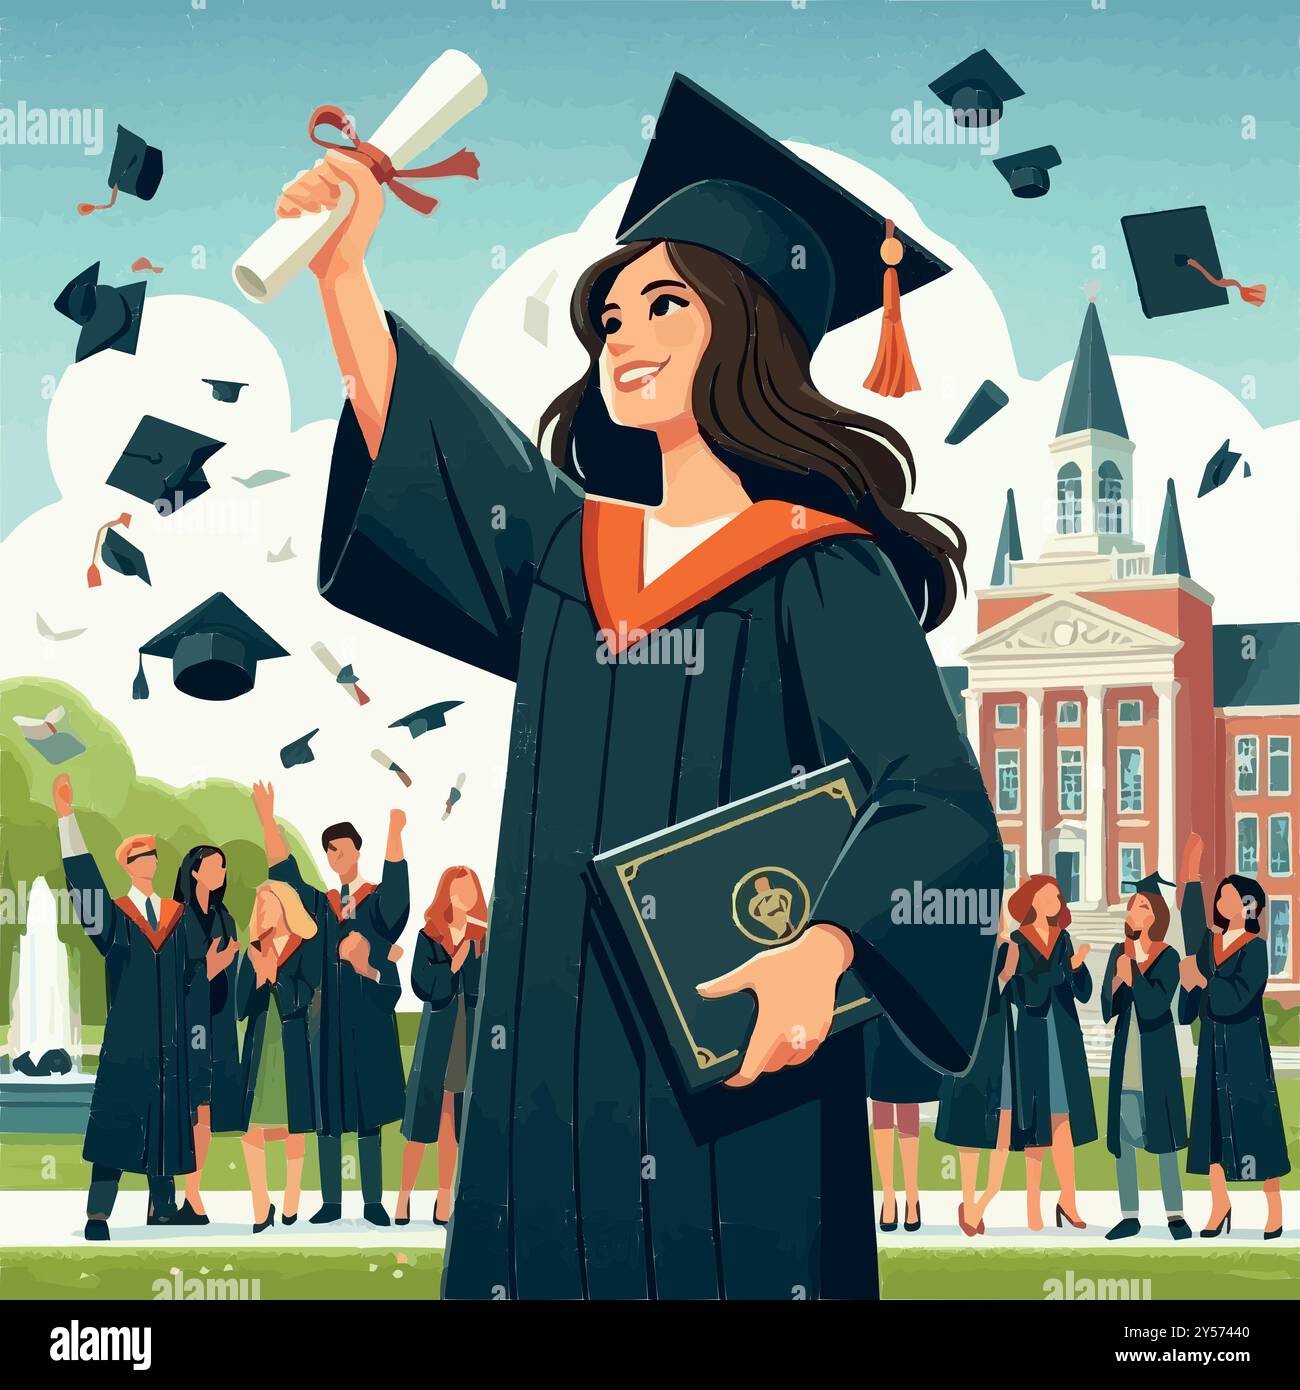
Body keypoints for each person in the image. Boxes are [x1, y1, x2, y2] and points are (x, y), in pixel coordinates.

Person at [275, 76, 1001, 1299]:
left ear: (749, 322)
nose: (622, 338)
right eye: (607, 318)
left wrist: (824, 951)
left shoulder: (822, 574)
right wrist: (344, 276)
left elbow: (933, 804)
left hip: (737, 1069)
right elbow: (446, 463)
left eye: (663, 302)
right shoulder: (571, 556)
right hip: (544, 1073)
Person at [251, 782, 409, 1225]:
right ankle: (332, 1203)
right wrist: (267, 820)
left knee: (369, 1116)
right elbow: (286, 876)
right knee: (326, 1114)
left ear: (357, 851)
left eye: (341, 850)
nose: (335, 858)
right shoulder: (321, 907)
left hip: (369, 1018)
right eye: (330, 852)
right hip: (325, 1022)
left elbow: (398, 904)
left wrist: (395, 835)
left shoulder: (376, 901)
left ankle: (374, 1202)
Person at [52, 774, 201, 1238]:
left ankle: (163, 1207)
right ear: (127, 865)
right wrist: (66, 820)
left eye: (152, 855)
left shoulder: (176, 919)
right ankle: (98, 1214)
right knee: (118, 1123)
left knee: (166, 1117)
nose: (148, 862)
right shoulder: (115, 918)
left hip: (170, 1040)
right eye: (139, 857)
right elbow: (85, 886)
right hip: (128, 1041)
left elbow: (193, 977)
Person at [1179, 870, 1289, 1239]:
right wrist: (1192, 985)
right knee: (1212, 1125)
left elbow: (1240, 997)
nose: (1222, 903)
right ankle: (1219, 1204)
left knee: (1256, 1123)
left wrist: (1202, 981)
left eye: (1230, 897)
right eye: (1220, 897)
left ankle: (1274, 1208)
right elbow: (1192, 939)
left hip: (1244, 1047)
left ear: (1250, 906)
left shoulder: (1254, 948)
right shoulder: (1211, 943)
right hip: (1213, 1045)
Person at [1099, 843, 1196, 1242]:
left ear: (1155, 914)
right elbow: (1109, 1008)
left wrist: (1134, 973)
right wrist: (1118, 981)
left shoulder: (1167, 957)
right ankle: (1129, 1214)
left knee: (1165, 1139)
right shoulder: (1119, 953)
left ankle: (1175, 1214)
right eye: (1131, 906)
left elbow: (1157, 1006)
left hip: (1156, 1059)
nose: (1132, 912)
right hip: (1127, 1060)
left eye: (1140, 906)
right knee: (1125, 1142)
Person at [396, 867, 488, 1227]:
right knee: (421, 1121)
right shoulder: (429, 934)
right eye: (457, 890)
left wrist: (472, 959)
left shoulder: (482, 935)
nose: (463, 897)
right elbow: (421, 983)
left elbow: (486, 982)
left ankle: (443, 1198)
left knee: (452, 1121)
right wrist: (453, 965)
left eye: (469, 890)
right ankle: (403, 1197)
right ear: (446, 893)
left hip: (467, 1030)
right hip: (438, 1032)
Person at [1006, 875, 1096, 1231]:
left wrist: (1077, 969)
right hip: (1031, 1038)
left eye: (1057, 897)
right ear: (1032, 901)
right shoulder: (1018, 942)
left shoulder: (1064, 940)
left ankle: (1068, 1199)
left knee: (1063, 1122)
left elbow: (1083, 992)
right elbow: (1025, 993)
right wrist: (1064, 970)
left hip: (1063, 1038)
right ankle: (1032, 1203)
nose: (1054, 902)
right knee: (1034, 1124)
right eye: (1047, 896)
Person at [237, 880, 322, 1232]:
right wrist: (258, 978)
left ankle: (290, 1200)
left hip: (292, 1041)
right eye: (259, 907)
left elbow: (308, 994)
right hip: (260, 1043)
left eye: (268, 904)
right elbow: (240, 1007)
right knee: (251, 1129)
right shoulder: (253, 950)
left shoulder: (306, 947)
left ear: (286, 906)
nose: (262, 912)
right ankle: (260, 1205)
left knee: (293, 1126)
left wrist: (276, 979)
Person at [935, 905, 1018, 1237]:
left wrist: (1004, 976)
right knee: (968, 1127)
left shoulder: (1009, 948)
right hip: (969, 1045)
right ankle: (968, 1201)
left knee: (1004, 1127)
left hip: (999, 1042)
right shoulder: (962, 950)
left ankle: (983, 1200)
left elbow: (1012, 994)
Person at [173, 844, 242, 1224]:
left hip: (216, 1022)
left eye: (223, 866)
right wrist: (210, 968)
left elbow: (228, 972)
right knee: (181, 1105)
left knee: (206, 1108)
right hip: (185, 1024)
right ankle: (168, 1194)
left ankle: (193, 1193)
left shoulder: (224, 918)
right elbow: (175, 977)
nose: (221, 871)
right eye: (214, 865)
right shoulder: (177, 920)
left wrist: (219, 969)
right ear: (195, 871)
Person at [863, 1016, 942, 1232]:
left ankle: (911, 1195)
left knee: (908, 1097)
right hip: (876, 1019)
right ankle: (888, 1195)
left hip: (905, 1020)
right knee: (881, 1102)